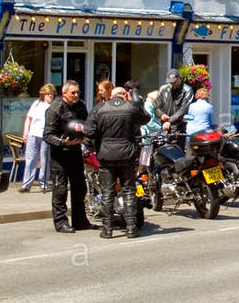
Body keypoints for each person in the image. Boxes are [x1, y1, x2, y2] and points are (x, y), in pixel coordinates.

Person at [85, 86, 145, 239]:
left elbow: (89, 131)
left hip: (106, 155)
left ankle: (107, 229)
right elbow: (145, 118)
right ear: (124, 95)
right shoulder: (131, 108)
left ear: (111, 96)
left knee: (107, 192)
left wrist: (94, 147)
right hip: (127, 154)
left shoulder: (100, 108)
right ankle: (131, 228)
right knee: (129, 191)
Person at [42, 80, 92, 233]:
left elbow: (87, 126)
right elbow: (47, 135)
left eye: (77, 92)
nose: (76, 95)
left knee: (80, 187)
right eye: (73, 93)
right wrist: (63, 142)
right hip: (59, 155)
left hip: (76, 153)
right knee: (60, 189)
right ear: (64, 93)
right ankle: (61, 222)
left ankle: (80, 220)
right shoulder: (55, 109)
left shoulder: (81, 106)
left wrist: (87, 141)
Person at [18, 84, 56, 193]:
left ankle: (43, 184)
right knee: (30, 159)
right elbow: (29, 118)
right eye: (48, 94)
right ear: (43, 95)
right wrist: (26, 132)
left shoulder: (53, 106)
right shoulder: (36, 104)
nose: (50, 96)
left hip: (46, 136)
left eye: (52, 94)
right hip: (33, 134)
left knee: (45, 160)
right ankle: (26, 185)